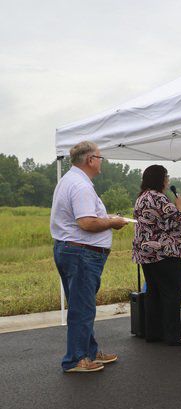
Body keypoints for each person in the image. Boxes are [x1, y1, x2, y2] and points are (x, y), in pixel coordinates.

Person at [50, 141, 128, 372]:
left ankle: (89, 352)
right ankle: (76, 359)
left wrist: (107, 218)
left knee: (81, 305)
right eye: (100, 157)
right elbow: (86, 222)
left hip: (72, 250)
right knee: (82, 308)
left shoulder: (70, 180)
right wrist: (113, 222)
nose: (101, 161)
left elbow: (87, 217)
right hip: (81, 253)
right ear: (90, 160)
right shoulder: (81, 186)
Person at [132, 165, 181, 345]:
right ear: (160, 179)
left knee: (154, 292)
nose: (168, 180)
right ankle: (174, 335)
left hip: (146, 253)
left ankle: (154, 332)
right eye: (166, 176)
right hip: (164, 253)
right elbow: (175, 222)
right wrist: (180, 207)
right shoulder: (159, 198)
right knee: (171, 293)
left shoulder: (141, 197)